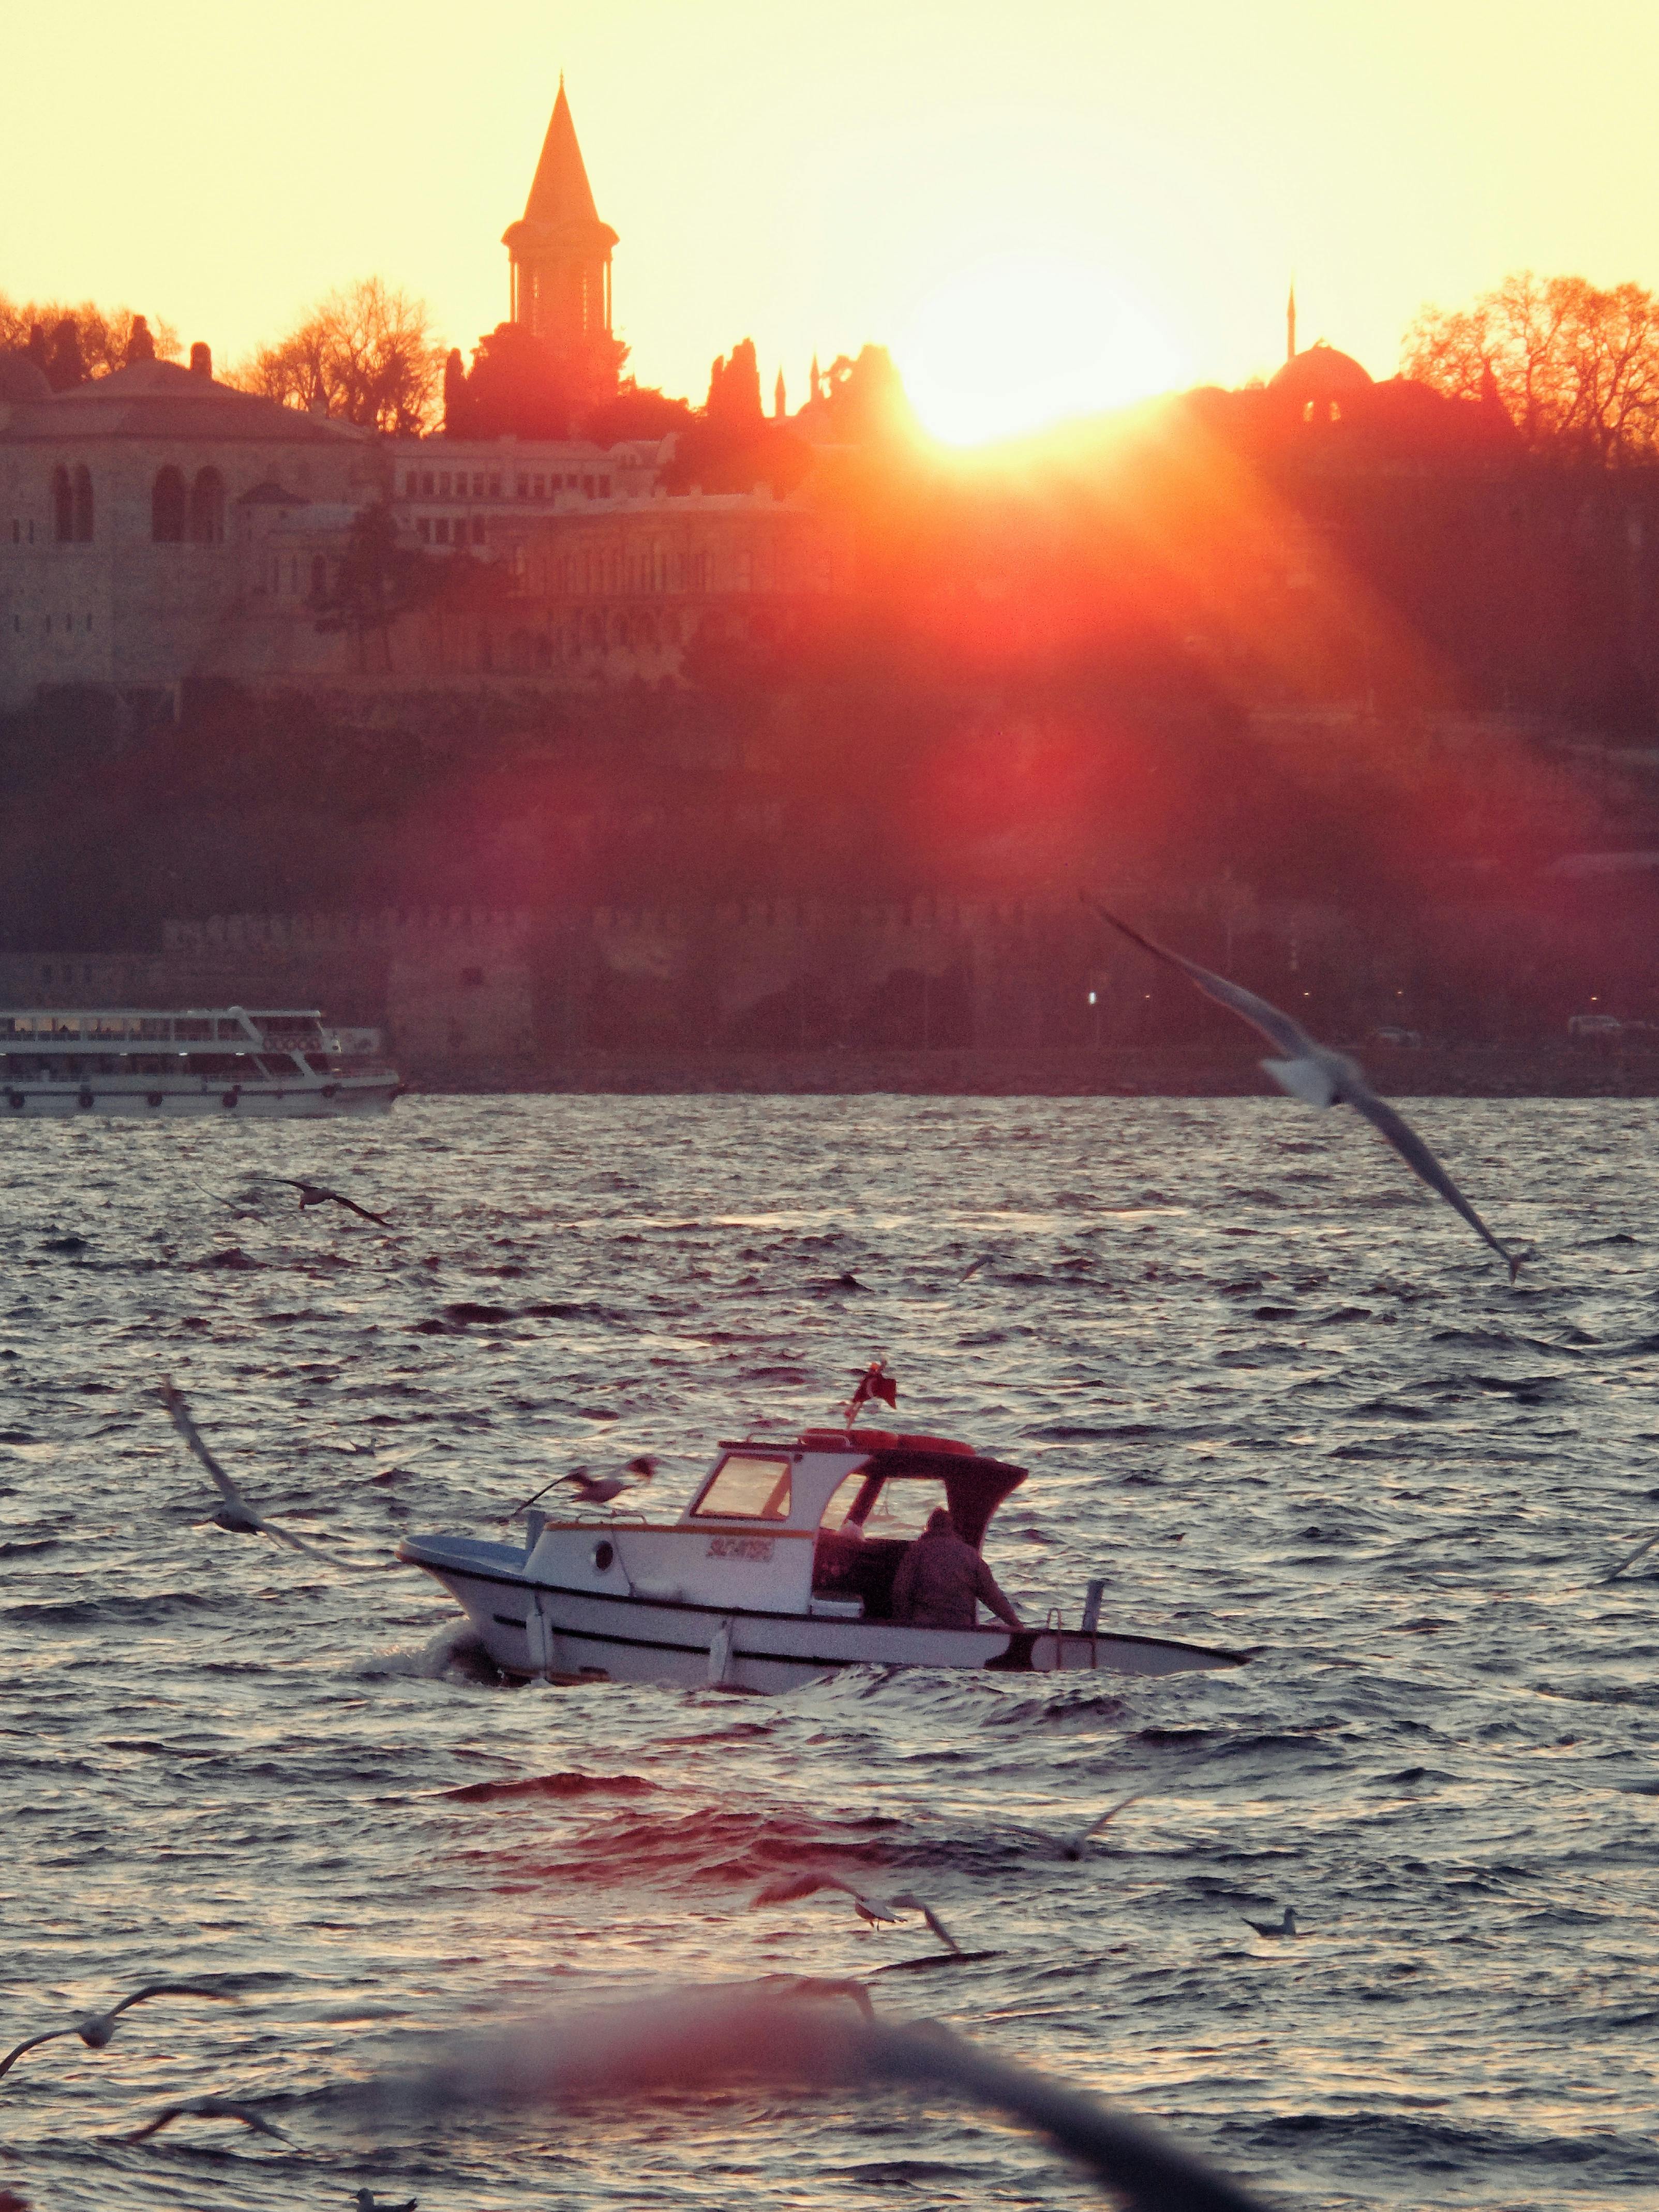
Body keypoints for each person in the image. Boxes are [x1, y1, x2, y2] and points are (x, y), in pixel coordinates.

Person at [890, 1506, 1022, 1631]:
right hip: (961, 1628)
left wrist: (903, 1625)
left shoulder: (916, 1552)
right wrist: (1018, 1628)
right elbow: (994, 1598)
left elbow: (900, 1592)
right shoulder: (970, 1555)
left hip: (923, 1626)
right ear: (953, 1528)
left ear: (929, 1528)